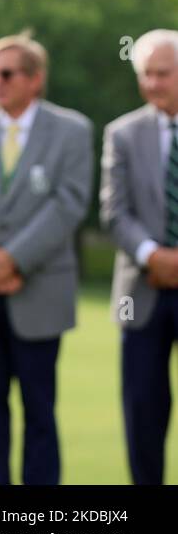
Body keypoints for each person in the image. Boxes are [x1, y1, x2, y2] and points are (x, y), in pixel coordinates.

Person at [0, 33, 93, 485]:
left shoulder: (72, 129)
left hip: (40, 291)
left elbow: (69, 203)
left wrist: (13, 260)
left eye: (7, 73)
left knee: (39, 410)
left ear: (35, 79)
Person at [101, 28, 178, 484]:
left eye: (162, 74)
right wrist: (155, 256)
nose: (152, 84)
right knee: (143, 414)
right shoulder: (122, 133)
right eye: (145, 74)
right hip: (142, 293)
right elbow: (114, 211)